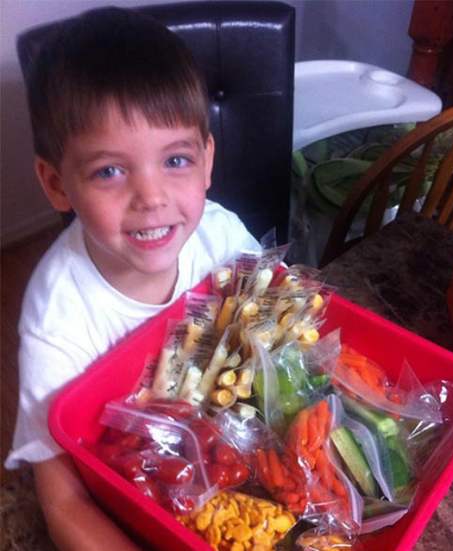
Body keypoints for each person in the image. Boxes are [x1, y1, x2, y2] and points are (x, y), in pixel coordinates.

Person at [3, 8, 261, 550]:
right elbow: (64, 502)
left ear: (207, 161)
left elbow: (275, 345)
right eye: (109, 171)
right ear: (56, 184)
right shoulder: (58, 319)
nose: (152, 198)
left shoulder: (223, 239)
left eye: (176, 160)